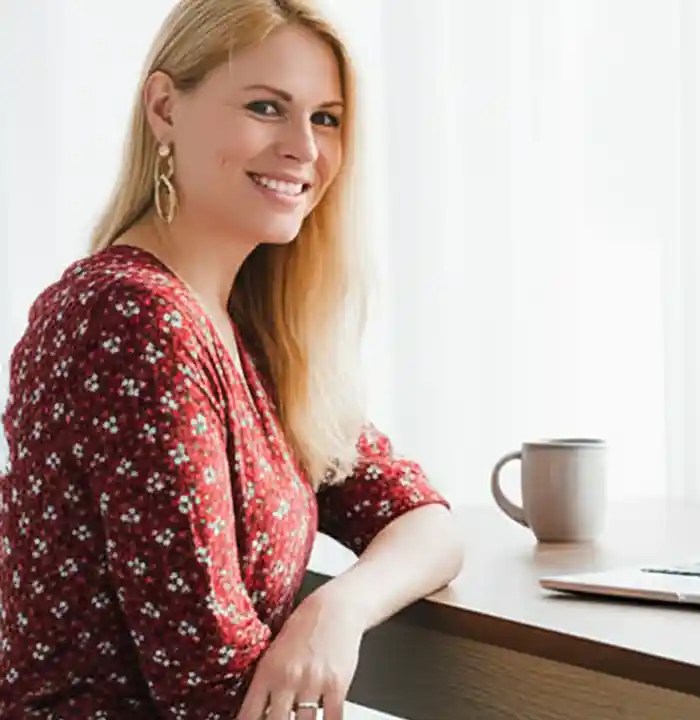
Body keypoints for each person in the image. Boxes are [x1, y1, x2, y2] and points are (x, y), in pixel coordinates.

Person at [0, 1, 464, 718]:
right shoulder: (130, 321)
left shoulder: (252, 330)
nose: (304, 149)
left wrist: (334, 611)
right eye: (265, 106)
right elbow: (212, 689)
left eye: (326, 118)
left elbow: (420, 518)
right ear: (164, 108)